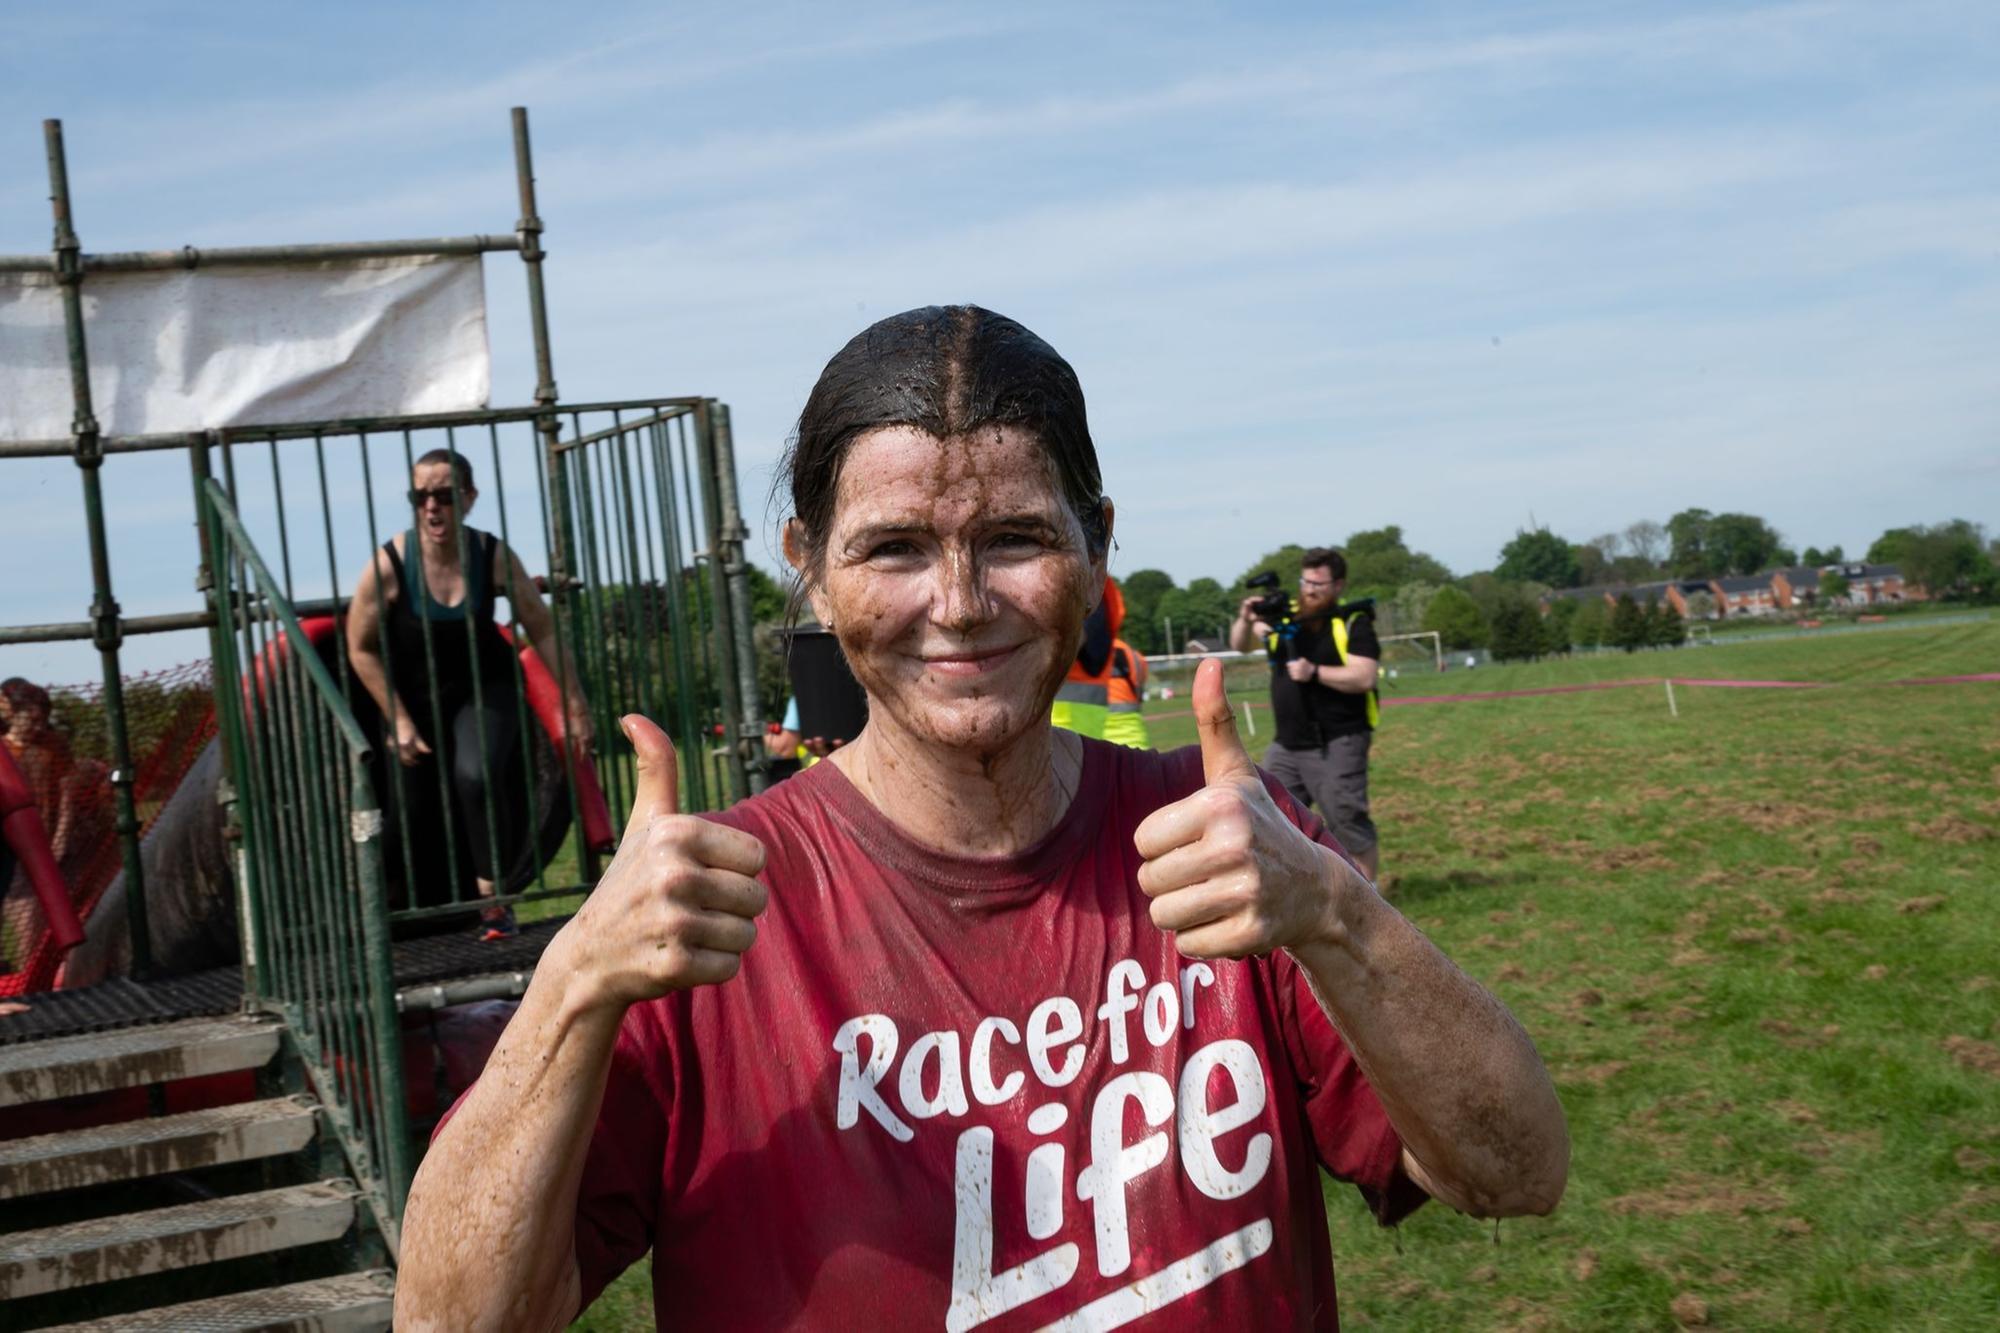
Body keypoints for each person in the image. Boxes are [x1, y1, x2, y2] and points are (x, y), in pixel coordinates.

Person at [397, 306, 1567, 1330]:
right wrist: (569, 988)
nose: (956, 606)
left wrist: (1334, 910)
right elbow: (455, 1321)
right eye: (893, 548)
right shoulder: (705, 921)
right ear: (808, 563)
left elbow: (1512, 1168)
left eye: (1013, 538)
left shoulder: (1224, 855)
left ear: (1097, 542)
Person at [345, 449, 591, 939]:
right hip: (411, 700)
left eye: (444, 495)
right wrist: (397, 719)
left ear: (469, 498)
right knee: (407, 811)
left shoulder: (491, 554)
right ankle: (379, 917)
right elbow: (360, 648)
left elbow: (541, 628)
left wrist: (575, 703)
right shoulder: (389, 564)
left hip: (484, 688)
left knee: (475, 776)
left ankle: (493, 901)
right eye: (421, 496)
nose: (432, 507)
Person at [1229, 552, 1383, 882]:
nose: (1309, 589)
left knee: (1347, 820)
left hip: (1337, 740)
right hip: (1287, 743)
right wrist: (1245, 618)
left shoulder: (1353, 621)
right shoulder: (1287, 620)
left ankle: (1368, 901)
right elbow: (1240, 645)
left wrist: (1313, 671)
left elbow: (1364, 676)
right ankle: (1295, 891)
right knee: (1267, 814)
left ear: (1337, 585)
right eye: (1305, 581)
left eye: (1318, 583)